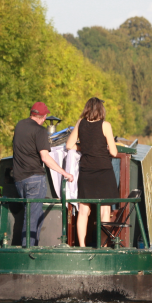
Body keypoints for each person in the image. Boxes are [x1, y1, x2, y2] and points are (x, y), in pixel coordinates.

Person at [13, 102, 74, 247]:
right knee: (33, 217)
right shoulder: (40, 131)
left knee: (28, 214)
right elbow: (45, 157)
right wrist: (65, 173)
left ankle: (25, 246)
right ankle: (29, 250)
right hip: (34, 178)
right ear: (44, 117)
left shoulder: (19, 125)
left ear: (31, 113)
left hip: (18, 178)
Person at [65, 97, 118, 247]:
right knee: (105, 210)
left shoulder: (80, 123)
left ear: (87, 108)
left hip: (86, 171)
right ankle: (103, 246)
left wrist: (85, 149)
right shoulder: (105, 125)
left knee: (83, 211)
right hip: (104, 171)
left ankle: (82, 246)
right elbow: (113, 152)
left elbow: (69, 145)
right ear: (101, 110)